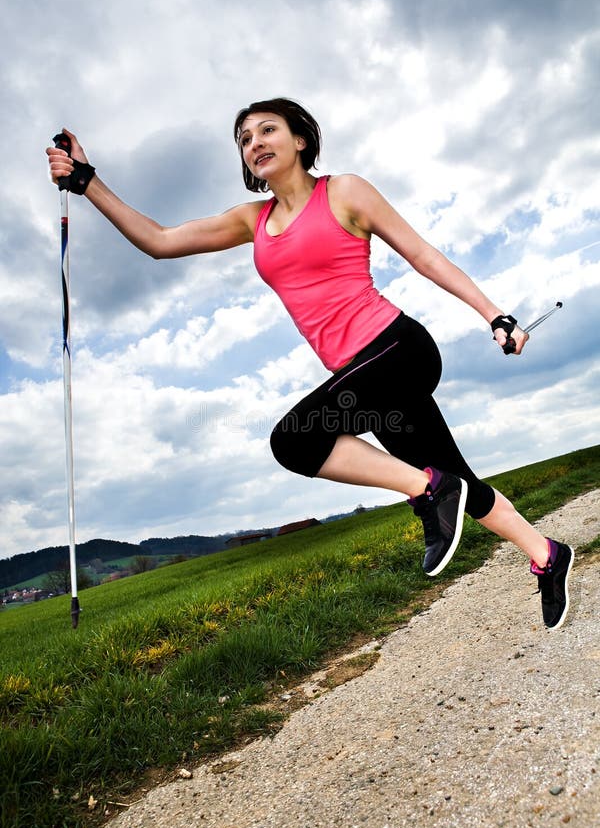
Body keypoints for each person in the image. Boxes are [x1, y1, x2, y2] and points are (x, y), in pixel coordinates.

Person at [46, 97, 574, 630]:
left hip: (397, 350)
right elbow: (159, 241)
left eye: (266, 130)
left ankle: (429, 490)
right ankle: (547, 555)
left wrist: (494, 314)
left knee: (294, 439)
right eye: (245, 139)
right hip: (359, 376)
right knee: (462, 484)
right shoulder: (252, 220)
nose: (255, 143)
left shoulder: (344, 191)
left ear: (300, 139)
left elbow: (422, 254)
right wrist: (88, 181)